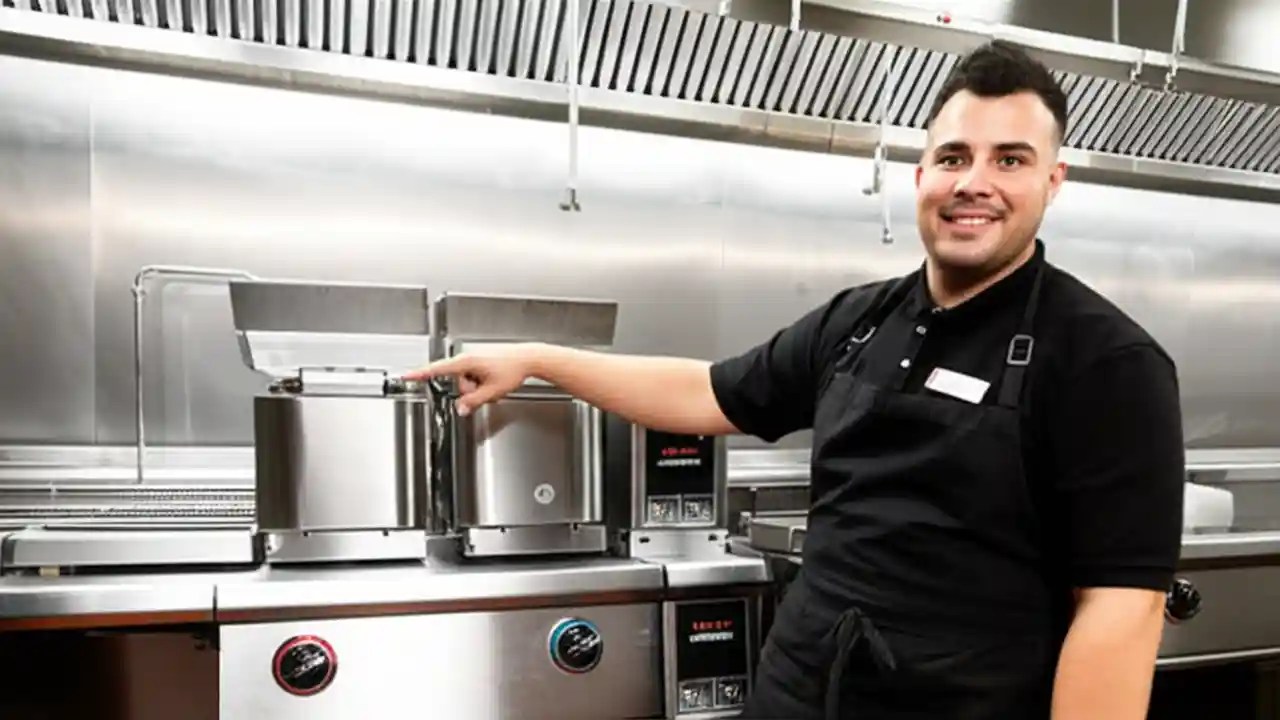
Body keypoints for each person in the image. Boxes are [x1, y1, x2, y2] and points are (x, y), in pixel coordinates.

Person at [405, 41, 1184, 719]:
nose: (973, 182)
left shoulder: (1107, 361)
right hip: (800, 693)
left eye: (1009, 160)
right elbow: (707, 392)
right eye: (954, 157)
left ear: (1053, 180)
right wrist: (541, 361)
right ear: (921, 175)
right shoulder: (861, 320)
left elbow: (1119, 608)